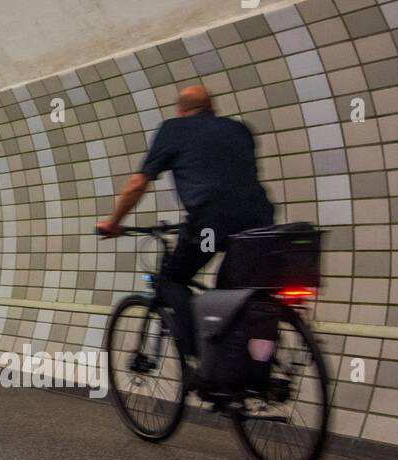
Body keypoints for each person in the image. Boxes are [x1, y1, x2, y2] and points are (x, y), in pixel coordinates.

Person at [97, 85, 273, 360]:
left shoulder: (174, 129)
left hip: (209, 225)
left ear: (181, 111)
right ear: (212, 109)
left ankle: (198, 355)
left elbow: (137, 184)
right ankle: (241, 365)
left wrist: (113, 222)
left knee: (170, 280)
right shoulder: (240, 130)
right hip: (261, 224)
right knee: (230, 294)